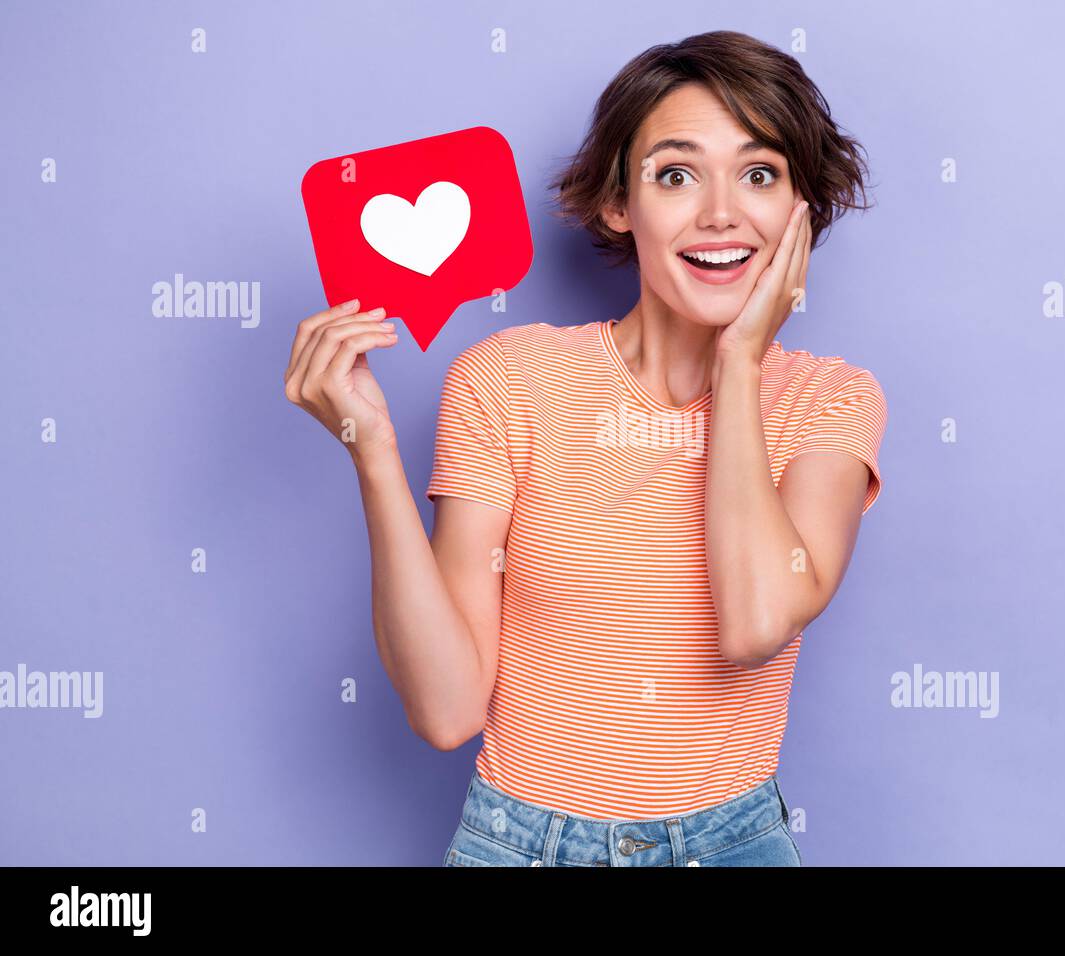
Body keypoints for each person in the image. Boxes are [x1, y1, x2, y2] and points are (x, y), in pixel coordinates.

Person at [284, 30, 887, 867]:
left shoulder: (831, 399)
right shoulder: (509, 379)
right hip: (519, 845)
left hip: (732, 846)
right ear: (617, 205)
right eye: (676, 174)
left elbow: (753, 624)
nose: (720, 212)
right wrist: (373, 450)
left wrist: (741, 361)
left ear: (799, 210)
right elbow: (447, 710)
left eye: (759, 174)